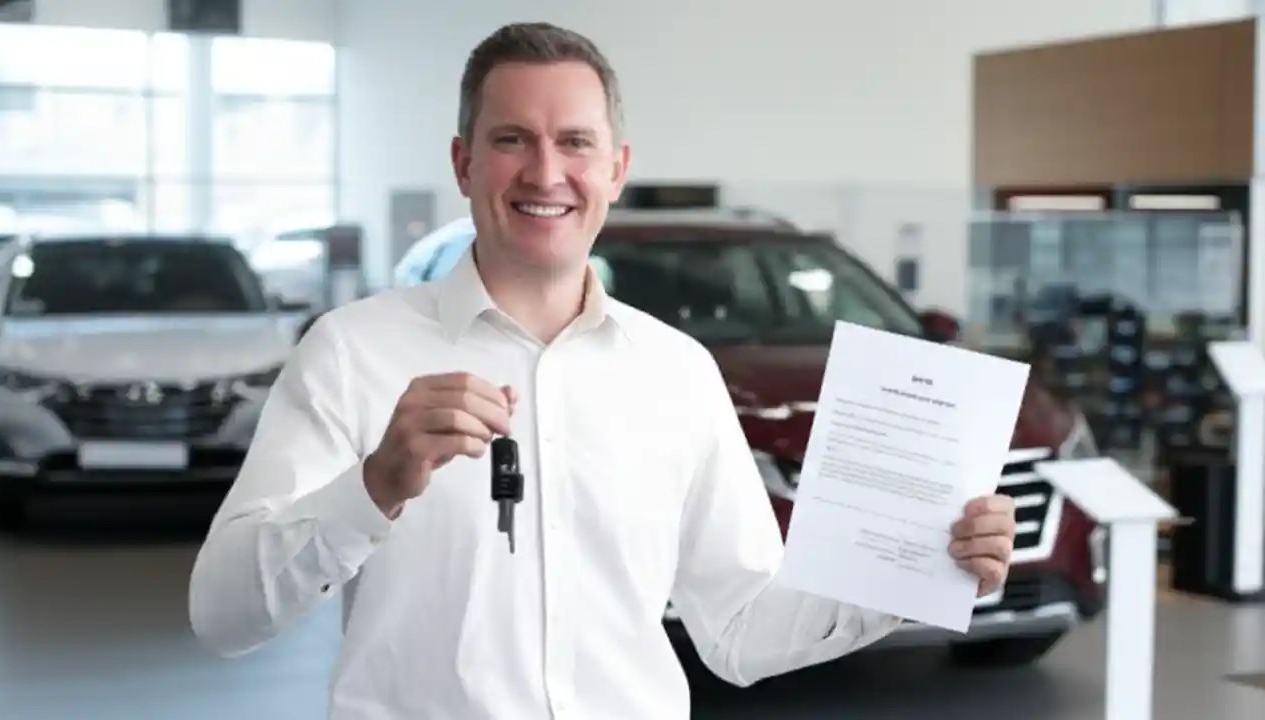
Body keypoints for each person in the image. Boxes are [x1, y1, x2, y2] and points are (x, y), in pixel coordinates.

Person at [188, 21, 1017, 720]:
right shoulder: (351, 353)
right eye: (511, 139)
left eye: (573, 142)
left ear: (615, 167)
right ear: (462, 163)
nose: (545, 173)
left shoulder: (677, 374)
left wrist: (916, 567)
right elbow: (222, 615)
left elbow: (739, 630)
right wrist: (373, 486)